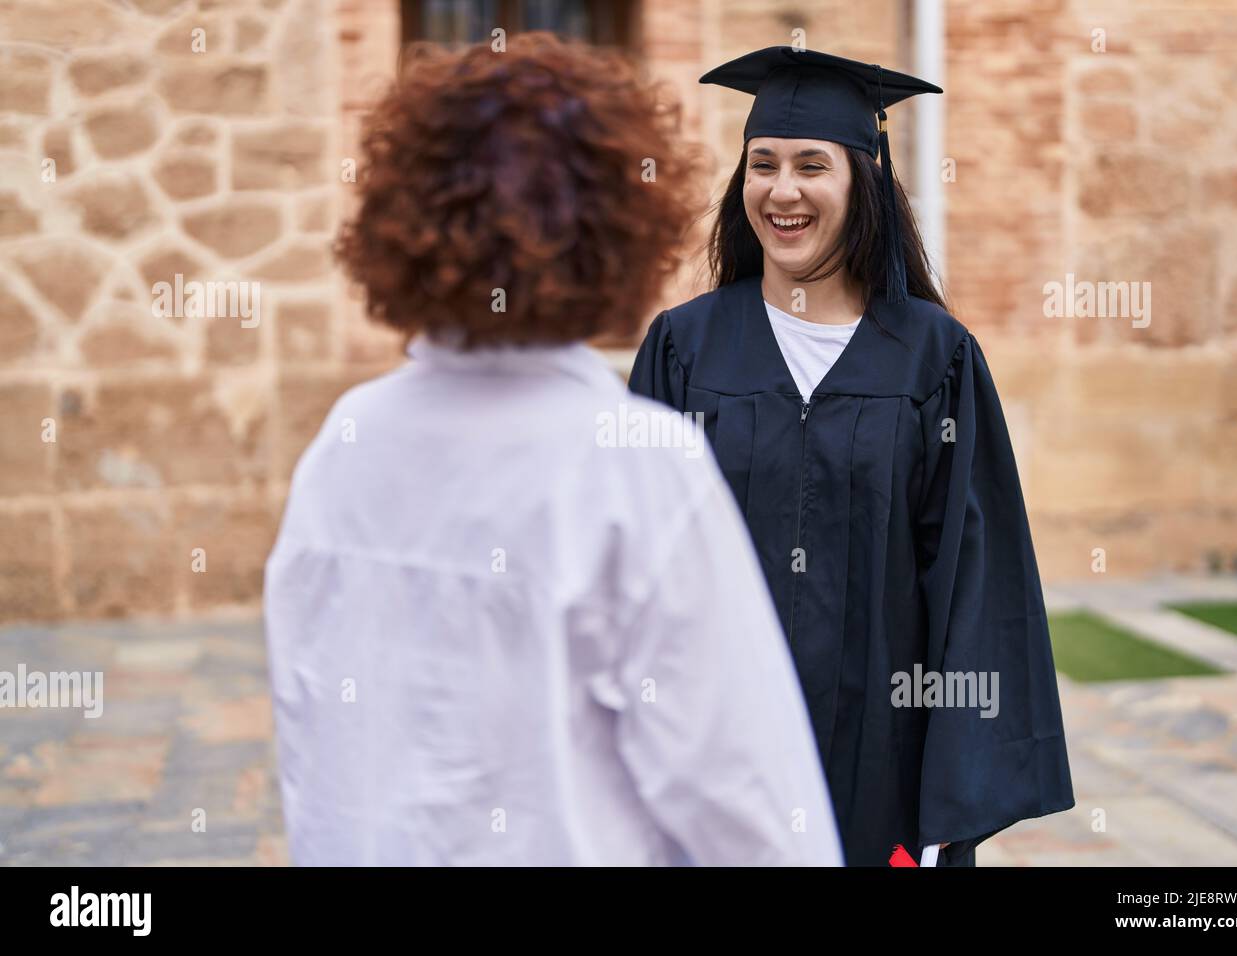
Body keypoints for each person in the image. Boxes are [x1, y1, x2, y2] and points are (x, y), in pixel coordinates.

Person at [263, 34, 842, 866]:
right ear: (621, 225)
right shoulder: (635, 464)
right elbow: (745, 801)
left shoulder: (343, 447)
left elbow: (314, 736)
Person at [630, 46, 1075, 866]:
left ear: (861, 181)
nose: (782, 190)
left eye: (811, 165)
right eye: (761, 165)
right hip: (714, 760)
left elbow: (974, 583)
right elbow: (632, 565)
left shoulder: (931, 358)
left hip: (884, 767)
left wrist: (951, 800)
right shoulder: (685, 349)